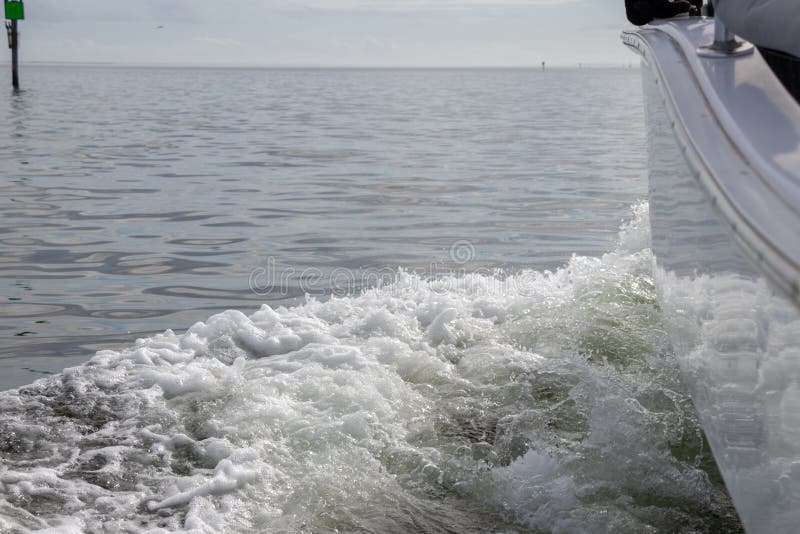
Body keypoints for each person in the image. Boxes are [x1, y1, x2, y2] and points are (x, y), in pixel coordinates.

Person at [625, 0, 702, 26]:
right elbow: (662, 10)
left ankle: (694, 6)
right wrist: (686, 6)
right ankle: (694, 6)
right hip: (638, 15)